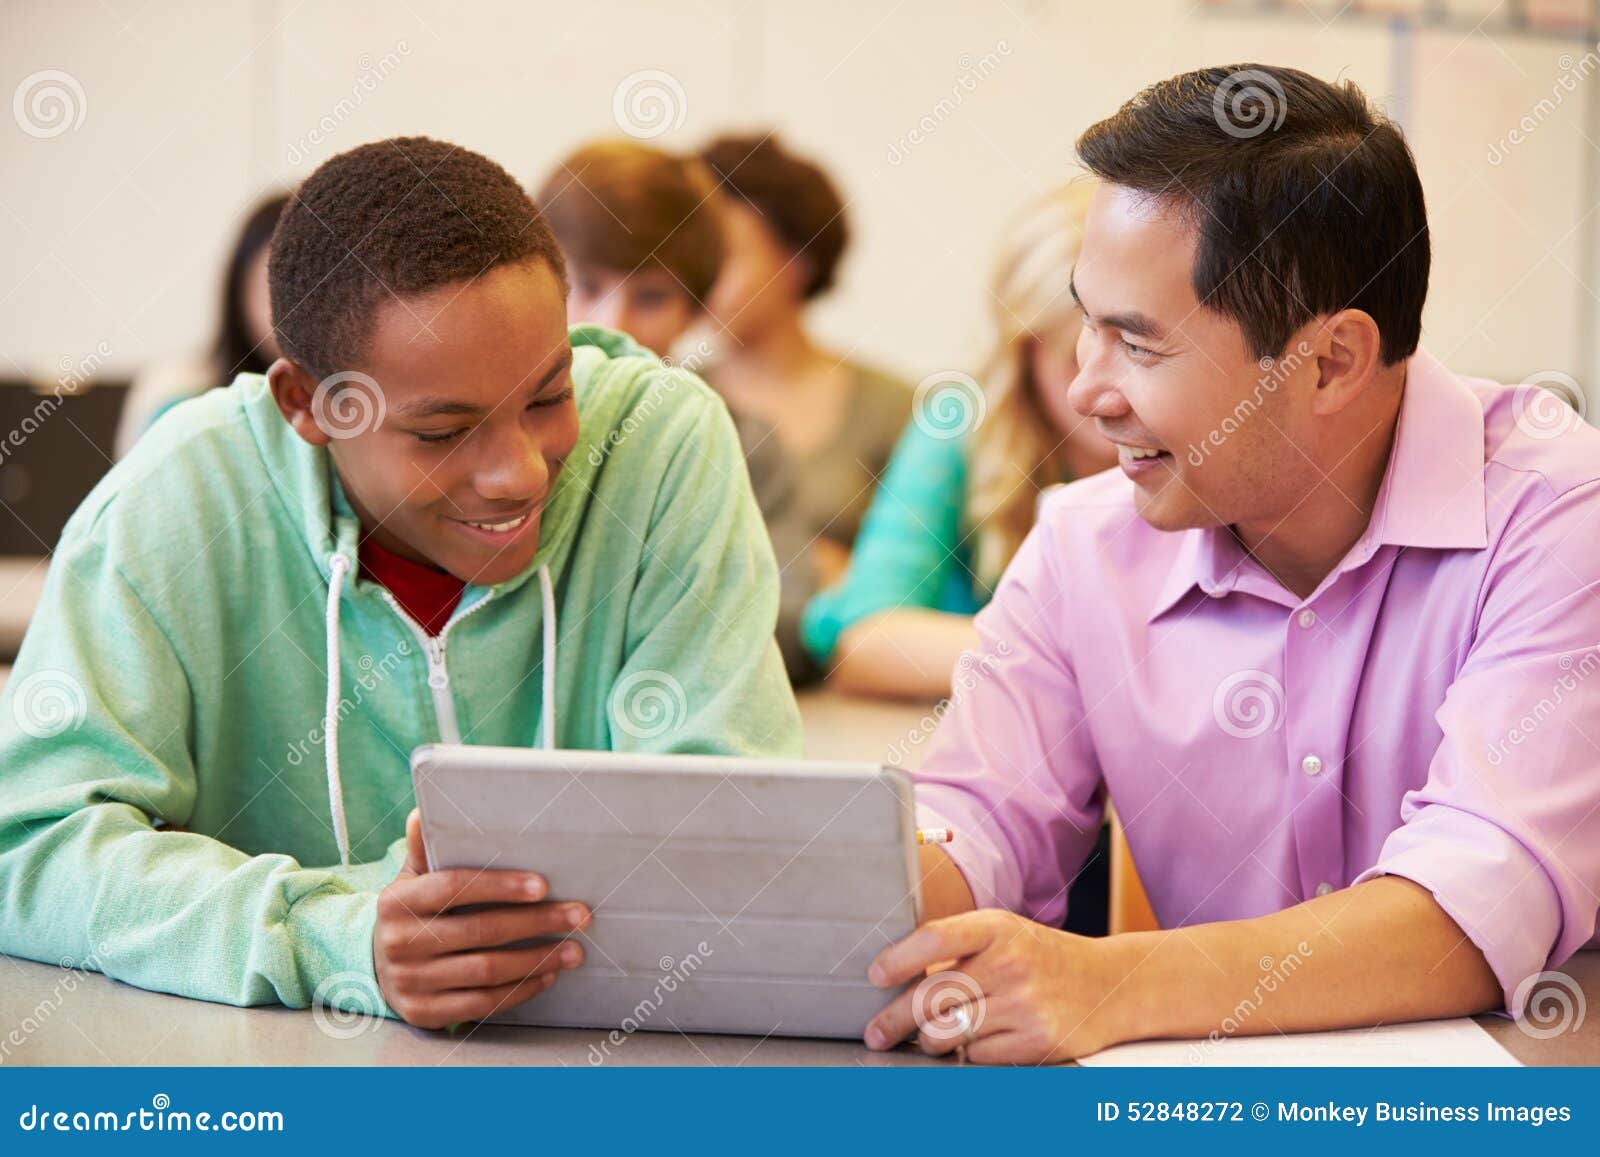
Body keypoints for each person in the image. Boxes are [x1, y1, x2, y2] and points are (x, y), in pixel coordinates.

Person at [863, 65, 1600, 1063]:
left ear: (1330, 361)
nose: (1084, 391)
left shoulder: (1559, 515)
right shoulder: (1084, 543)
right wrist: (824, 895)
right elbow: (981, 820)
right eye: (1086, 326)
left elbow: (1473, 900)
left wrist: (1108, 979)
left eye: (1138, 345)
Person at [0, 137, 800, 1031]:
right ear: (308, 404)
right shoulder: (179, 498)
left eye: (548, 396)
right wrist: (336, 936)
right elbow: (29, 845)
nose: (518, 474)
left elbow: (737, 838)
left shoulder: (660, 444)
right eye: (443, 432)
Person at [803, 181, 1116, 701]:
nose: (1110, 390)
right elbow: (865, 640)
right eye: (1078, 359)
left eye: (1138, 351)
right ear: (1025, 354)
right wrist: (1082, 658)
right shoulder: (959, 425)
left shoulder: (1210, 445)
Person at [535, 140, 819, 682]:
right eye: (587, 286)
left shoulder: (744, 442)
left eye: (651, 297)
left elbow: (788, 619)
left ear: (696, 311)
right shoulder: (492, 434)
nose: (614, 324)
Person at [697, 133, 912, 593]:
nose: (702, 276)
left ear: (799, 260)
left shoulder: (896, 410)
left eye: (726, 256)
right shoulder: (666, 397)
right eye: (696, 255)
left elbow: (927, 572)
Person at [114, 192, 289, 455]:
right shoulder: (179, 397)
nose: (296, 315)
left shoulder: (342, 404)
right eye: (274, 295)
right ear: (238, 295)